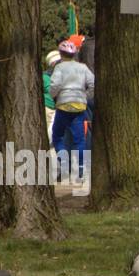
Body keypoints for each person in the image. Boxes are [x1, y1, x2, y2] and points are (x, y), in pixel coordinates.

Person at [49, 39, 93, 178]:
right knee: (80, 139)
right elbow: (92, 83)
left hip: (63, 106)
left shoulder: (60, 68)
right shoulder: (83, 67)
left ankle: (64, 164)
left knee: (57, 136)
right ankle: (81, 168)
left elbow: (55, 85)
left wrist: (54, 95)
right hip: (79, 106)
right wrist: (85, 96)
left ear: (61, 54)